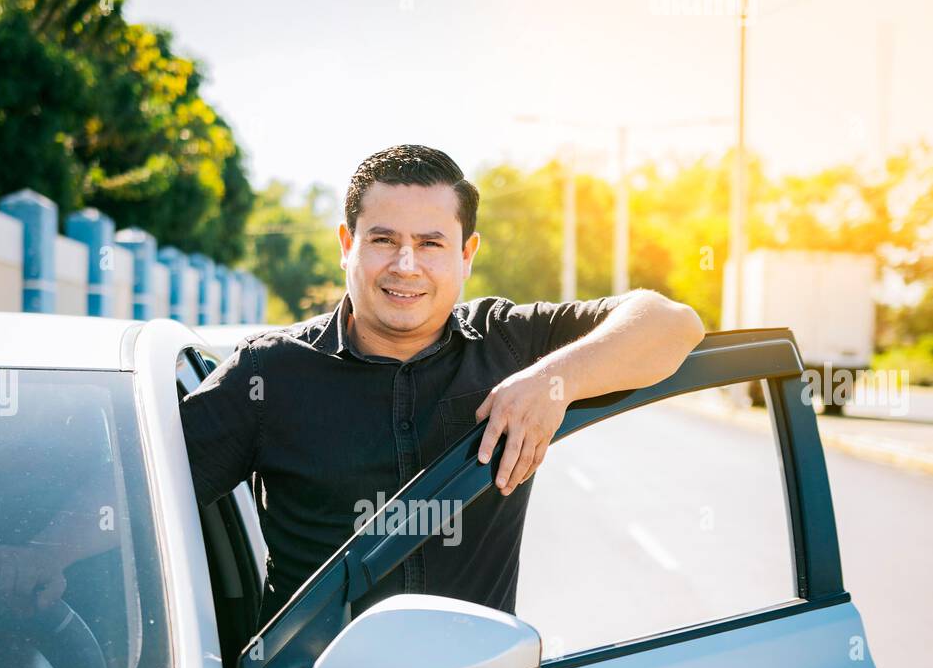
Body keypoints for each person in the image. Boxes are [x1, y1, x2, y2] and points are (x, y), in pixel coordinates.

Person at [180, 143, 705, 628]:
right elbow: (145, 505)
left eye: (430, 243)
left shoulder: (510, 344)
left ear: (467, 254)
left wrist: (552, 381)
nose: (405, 266)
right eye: (383, 240)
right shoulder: (268, 375)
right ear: (347, 245)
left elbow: (672, 324)